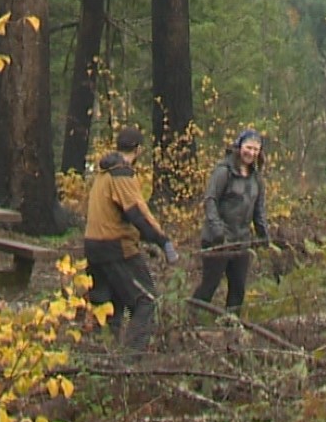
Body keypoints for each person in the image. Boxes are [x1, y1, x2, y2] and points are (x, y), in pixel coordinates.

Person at [83, 126, 178, 350]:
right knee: (146, 301)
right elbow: (137, 213)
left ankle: (101, 357)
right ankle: (130, 361)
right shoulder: (121, 174)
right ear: (138, 150)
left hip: (94, 246)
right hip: (116, 248)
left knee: (109, 306)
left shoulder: (103, 174)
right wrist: (163, 241)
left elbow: (117, 214)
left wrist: (146, 241)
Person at [192, 128, 270, 315]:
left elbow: (258, 211)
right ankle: (192, 319)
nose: (251, 153)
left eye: (256, 150)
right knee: (210, 284)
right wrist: (217, 229)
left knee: (238, 288)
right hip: (217, 240)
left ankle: (230, 327)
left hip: (241, 241)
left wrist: (263, 236)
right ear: (239, 146)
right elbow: (210, 200)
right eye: (248, 148)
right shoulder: (223, 172)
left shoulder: (256, 179)